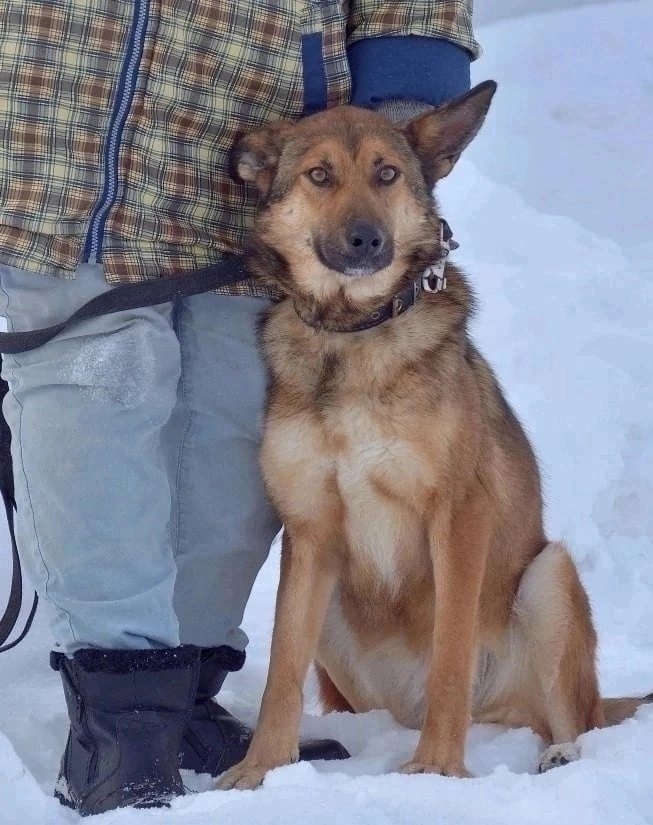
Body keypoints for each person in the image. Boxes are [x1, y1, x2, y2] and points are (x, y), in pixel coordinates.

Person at [0, 0, 480, 816]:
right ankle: (123, 720)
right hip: (61, 111)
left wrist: (399, 136)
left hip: (255, 120)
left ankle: (183, 691)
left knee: (228, 429)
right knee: (97, 395)